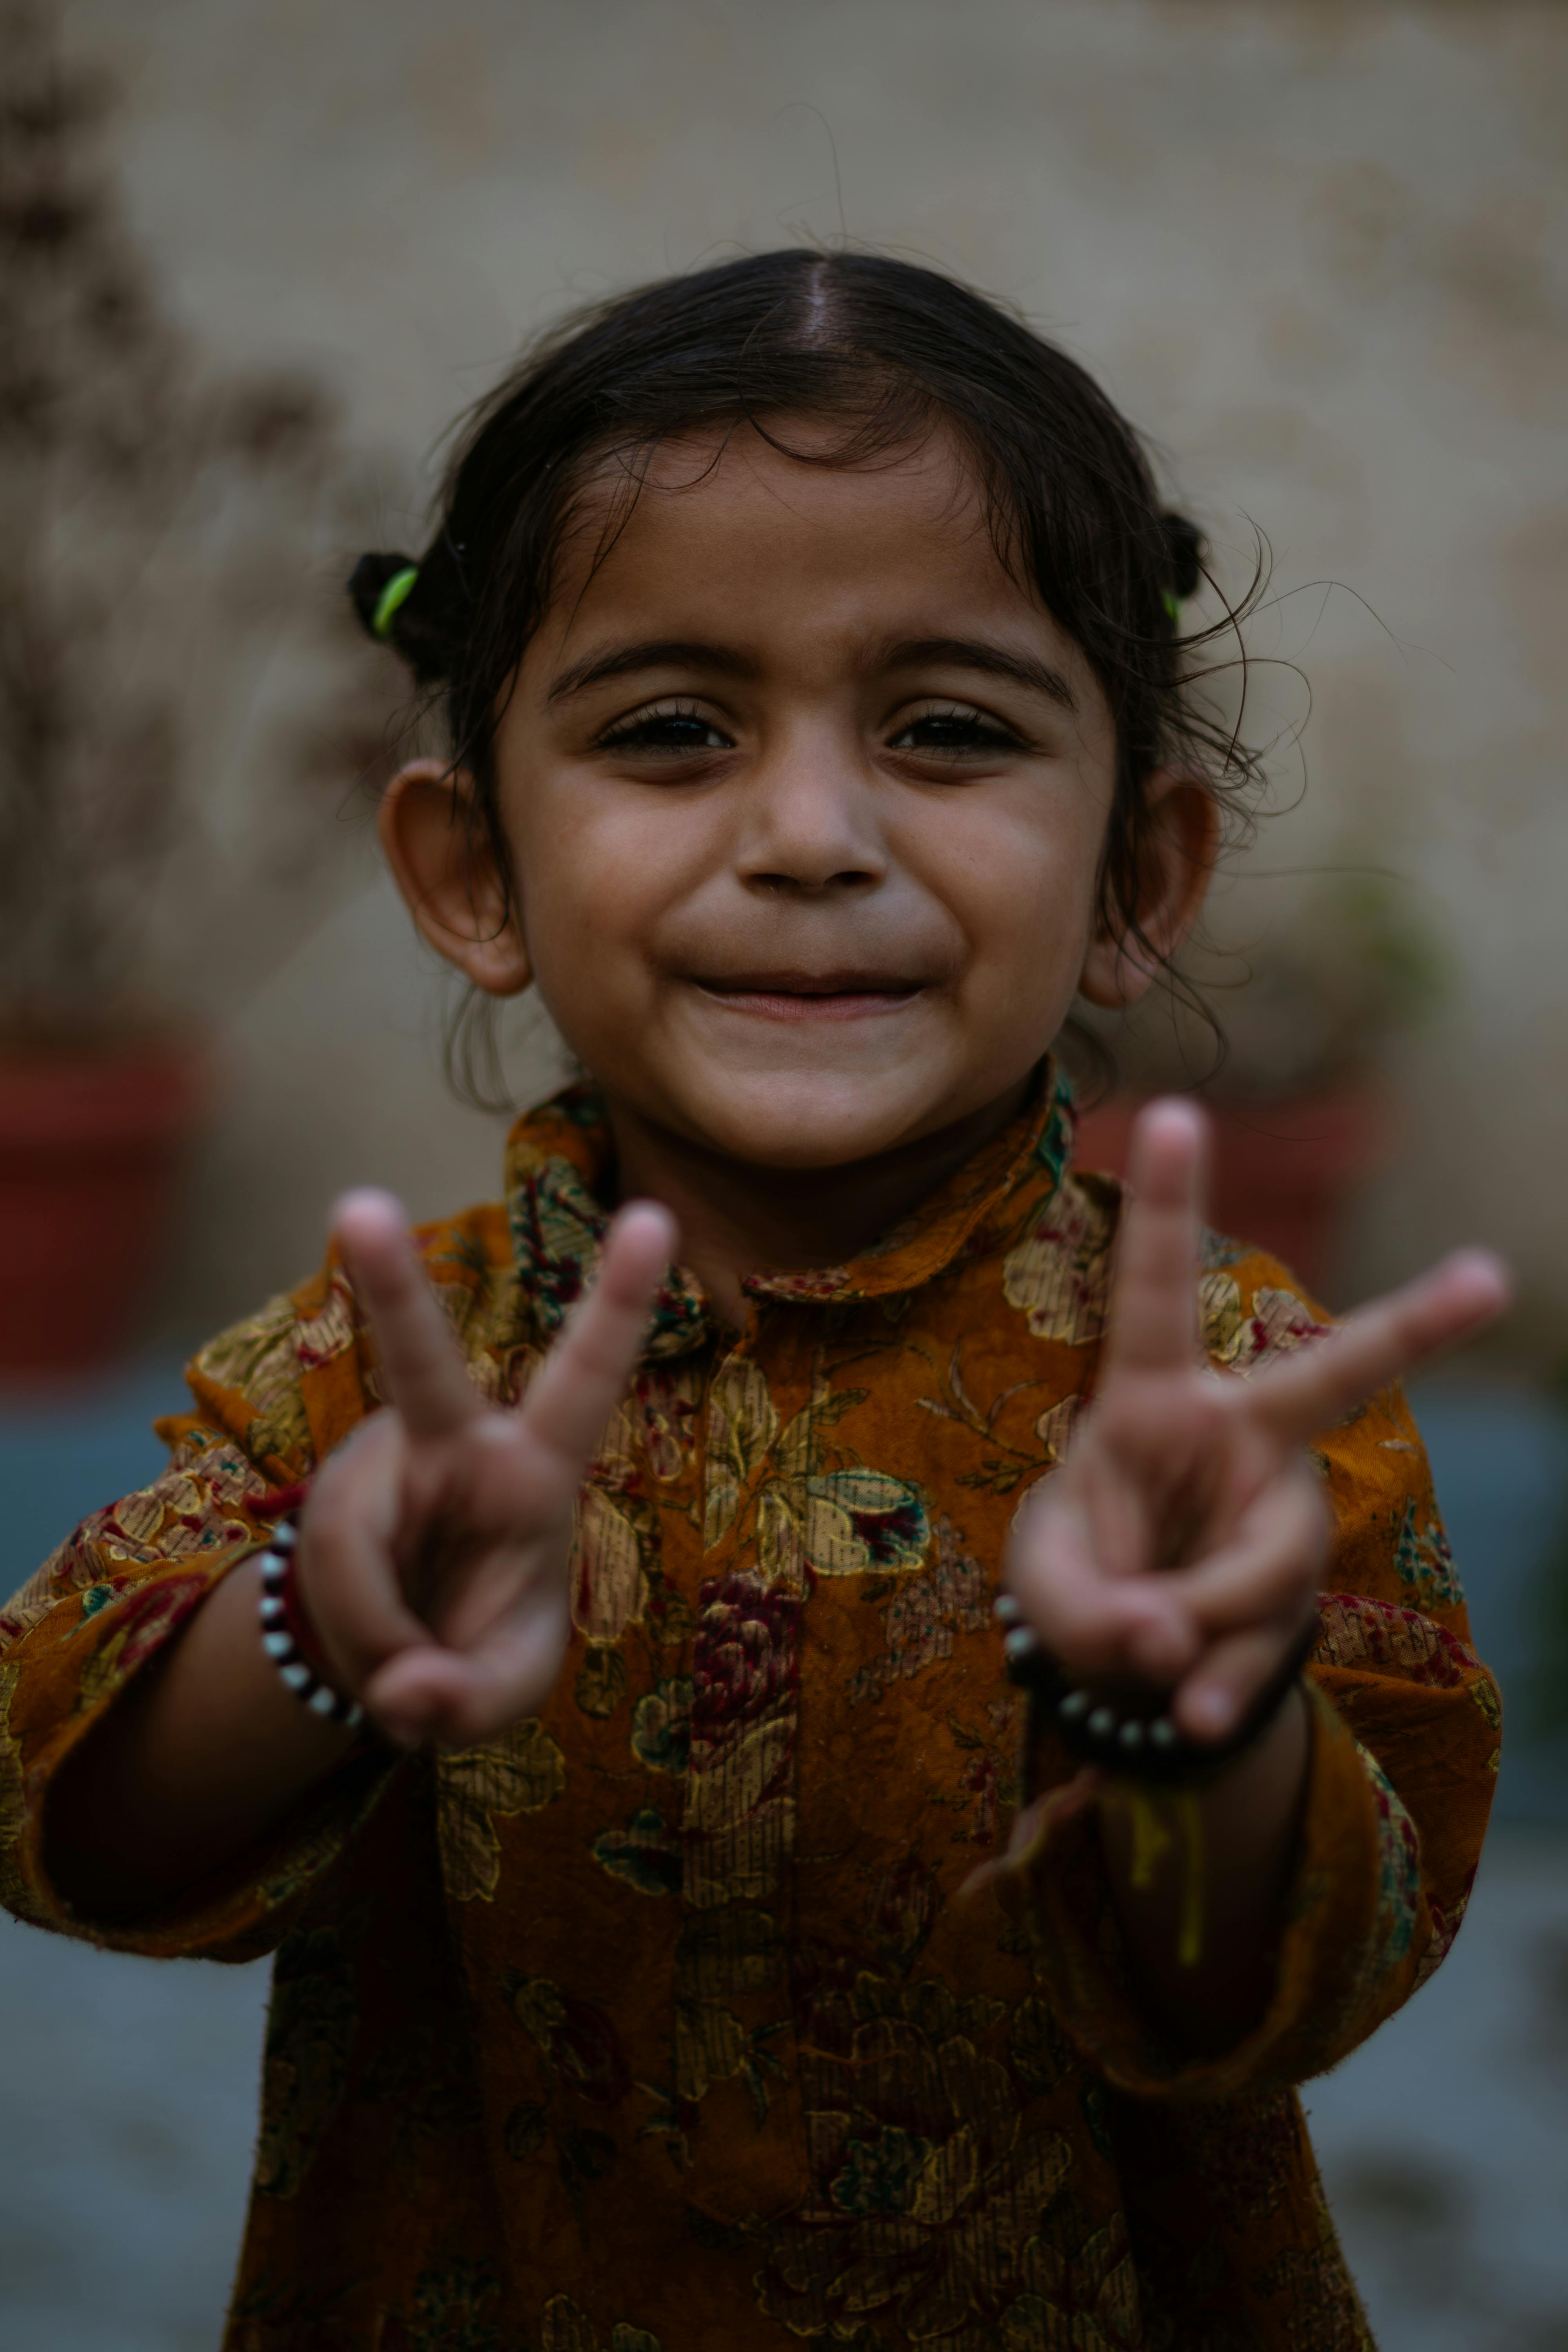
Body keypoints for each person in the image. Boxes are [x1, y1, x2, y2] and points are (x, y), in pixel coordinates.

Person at [0, 251, 1506, 2352]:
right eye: (674, 729)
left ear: (1140, 880)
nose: (811, 833)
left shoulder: (1236, 1409)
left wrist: (1196, 1718)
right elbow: (69, 1819)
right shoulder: (378, 1373)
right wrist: (324, 1630)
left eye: (953, 730)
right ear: (475, 878)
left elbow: (1295, 1987)